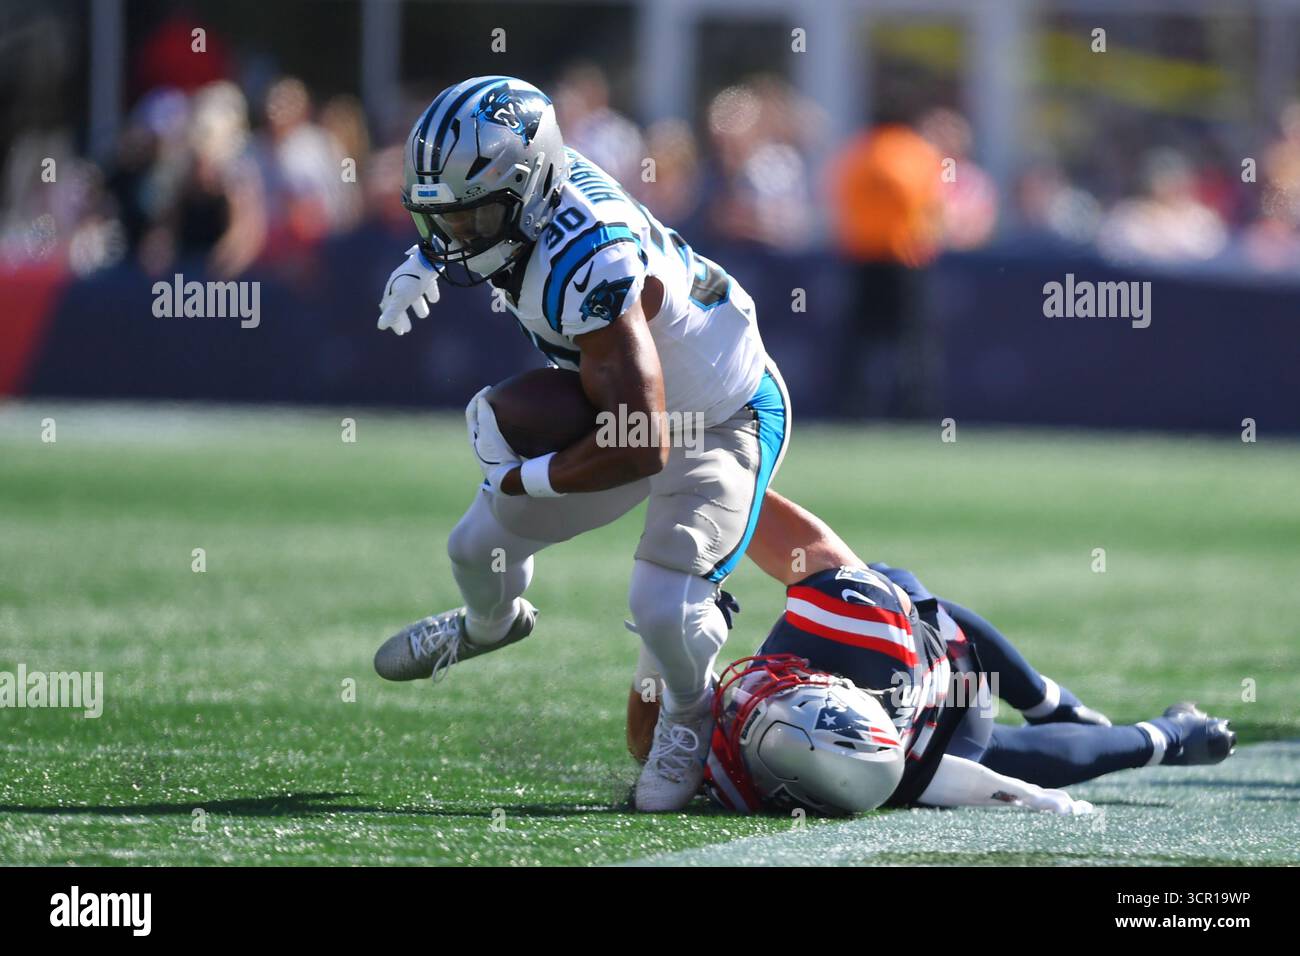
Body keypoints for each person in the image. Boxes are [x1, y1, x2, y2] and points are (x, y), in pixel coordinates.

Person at [369, 77, 789, 812]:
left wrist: (524, 482)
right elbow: (477, 218)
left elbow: (643, 446)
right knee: (474, 549)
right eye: (443, 219)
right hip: (628, 406)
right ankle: (488, 626)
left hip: (720, 416)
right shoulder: (525, 195)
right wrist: (428, 257)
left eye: (469, 220)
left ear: (526, 191)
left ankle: (692, 707)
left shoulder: (591, 263)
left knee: (661, 608)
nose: (457, 234)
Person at [627, 491, 1238, 814]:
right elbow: (794, 537)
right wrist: (713, 485)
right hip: (932, 726)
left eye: (768, 698)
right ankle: (1159, 733)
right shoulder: (867, 635)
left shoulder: (738, 777)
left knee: (904, 600)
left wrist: (661, 665)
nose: (759, 686)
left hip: (900, 737)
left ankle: (1095, 718)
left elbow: (646, 741)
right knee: (990, 742)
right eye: (777, 692)